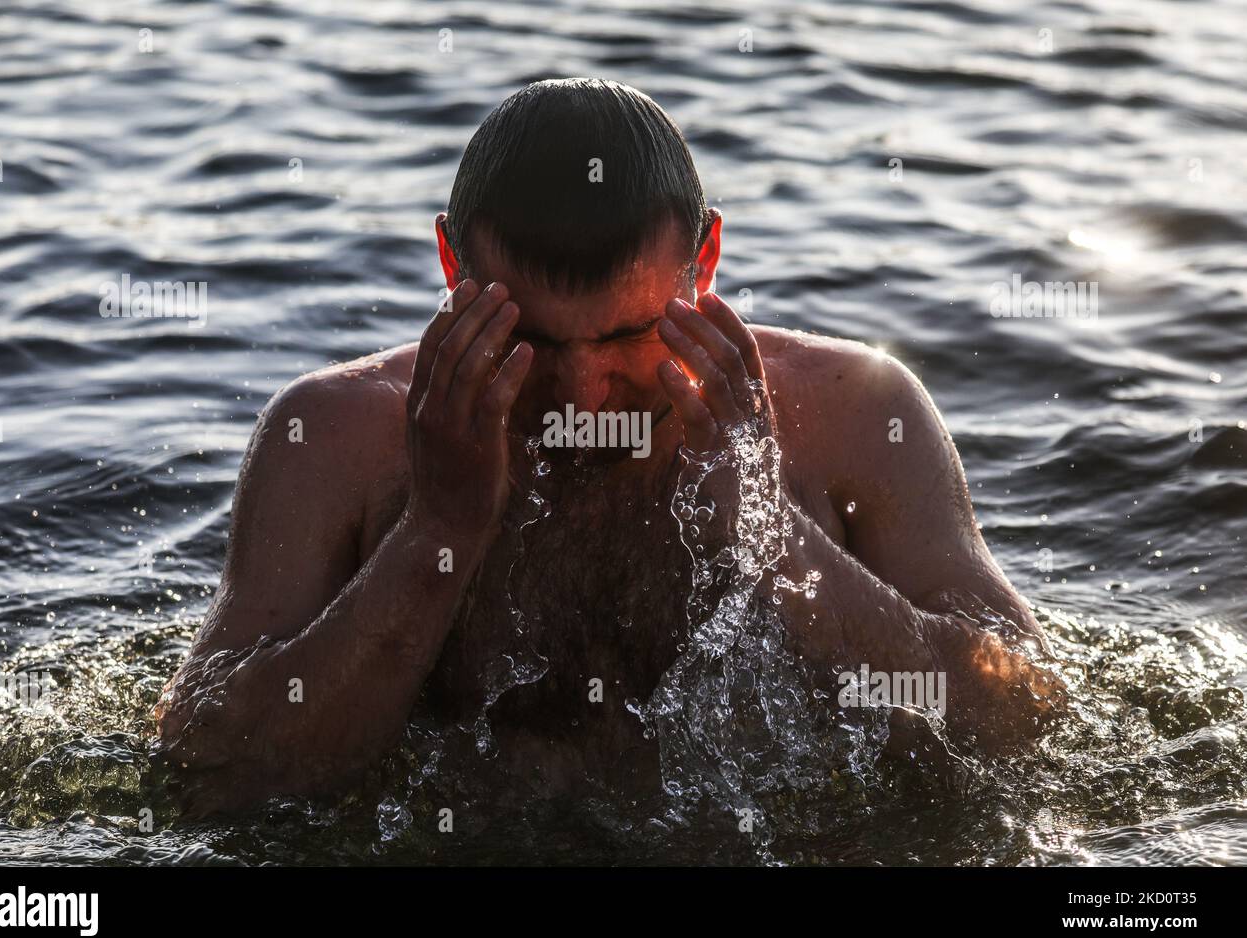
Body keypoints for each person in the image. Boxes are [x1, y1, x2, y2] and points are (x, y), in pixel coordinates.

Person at [155, 78, 1062, 817]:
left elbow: (1023, 718)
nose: (583, 396)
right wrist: (440, 530)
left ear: (703, 265)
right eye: (536, 345)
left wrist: (774, 538)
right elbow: (212, 774)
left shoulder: (854, 413)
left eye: (630, 339)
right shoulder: (338, 438)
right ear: (450, 269)